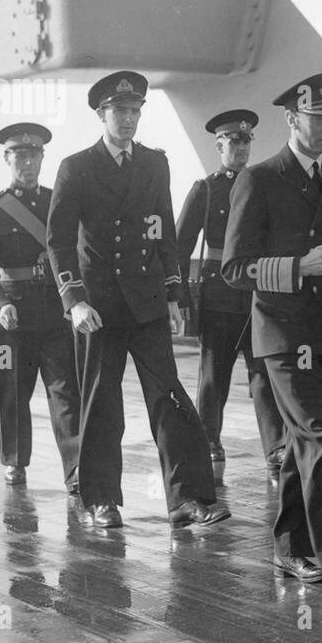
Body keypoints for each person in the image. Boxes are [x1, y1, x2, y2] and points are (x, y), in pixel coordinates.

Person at [222, 72, 322, 600]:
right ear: (292, 119)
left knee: (301, 445)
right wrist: (299, 267)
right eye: (317, 120)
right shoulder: (260, 178)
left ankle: (290, 548)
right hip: (284, 335)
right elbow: (234, 268)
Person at [47, 71, 228, 529]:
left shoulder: (153, 163)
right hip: (99, 308)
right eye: (118, 111)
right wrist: (75, 301)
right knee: (102, 404)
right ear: (100, 114)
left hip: (146, 302)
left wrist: (174, 294)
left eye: (134, 111)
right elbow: (59, 242)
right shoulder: (77, 167)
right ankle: (100, 500)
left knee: (169, 398)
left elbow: (163, 230)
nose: (127, 119)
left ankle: (187, 499)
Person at [176, 109, 285, 480]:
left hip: (257, 295)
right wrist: (179, 295)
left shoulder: (265, 183)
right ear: (219, 145)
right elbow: (180, 245)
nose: (242, 148)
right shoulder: (206, 190)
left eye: (247, 141)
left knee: (264, 374)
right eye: (234, 142)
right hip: (219, 295)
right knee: (214, 374)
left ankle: (275, 449)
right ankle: (208, 439)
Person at [0, 122, 80, 491]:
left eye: (34, 155)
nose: (28, 163)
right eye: (20, 156)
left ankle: (76, 469)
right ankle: (15, 463)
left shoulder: (57, 203)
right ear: (7, 159)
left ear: (42, 158)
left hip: (54, 312)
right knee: (13, 391)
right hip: (11, 319)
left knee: (66, 392)